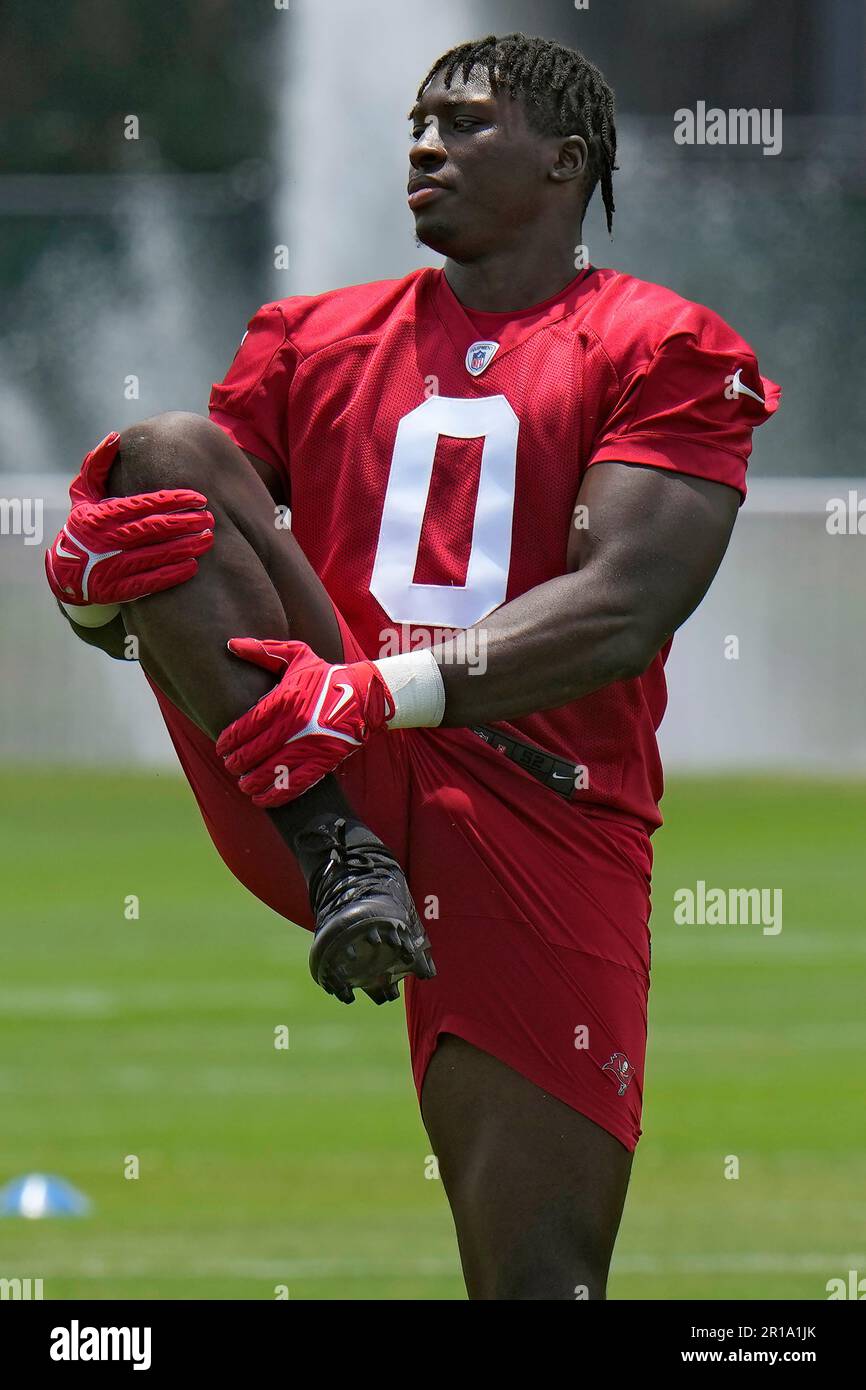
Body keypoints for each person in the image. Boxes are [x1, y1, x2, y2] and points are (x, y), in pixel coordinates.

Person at [45, 32, 779, 1299]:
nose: (424, 146)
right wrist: (95, 595)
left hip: (535, 795)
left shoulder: (661, 345)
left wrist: (379, 686)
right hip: (321, 769)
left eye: (465, 122)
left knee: (540, 1280)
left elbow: (626, 606)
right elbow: (190, 557)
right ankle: (345, 857)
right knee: (159, 455)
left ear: (566, 159)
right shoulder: (310, 338)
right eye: (413, 127)